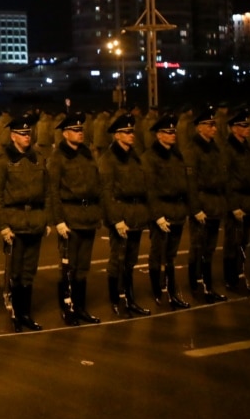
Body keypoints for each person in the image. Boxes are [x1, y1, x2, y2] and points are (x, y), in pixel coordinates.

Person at [0, 112, 50, 331]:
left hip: (34, 220)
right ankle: (15, 311)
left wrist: (46, 219)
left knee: (29, 271)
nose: (27, 137)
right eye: (22, 134)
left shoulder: (38, 158)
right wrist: (3, 225)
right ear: (13, 136)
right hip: (14, 221)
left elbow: (47, 190)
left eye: (28, 133)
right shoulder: (3, 161)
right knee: (15, 271)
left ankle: (26, 313)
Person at [48, 111, 103, 325]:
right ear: (65, 133)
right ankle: (67, 306)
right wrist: (59, 220)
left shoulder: (87, 154)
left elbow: (96, 184)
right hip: (70, 216)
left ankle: (81, 307)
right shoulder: (58, 158)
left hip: (88, 217)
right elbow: (53, 191)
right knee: (69, 267)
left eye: (81, 130)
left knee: (83, 267)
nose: (81, 133)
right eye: (76, 130)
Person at [97, 113, 151, 317]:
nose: (132, 135)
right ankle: (116, 299)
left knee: (130, 261)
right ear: (117, 135)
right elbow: (106, 192)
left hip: (136, 214)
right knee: (117, 260)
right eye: (127, 132)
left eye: (132, 131)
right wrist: (116, 219)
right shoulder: (108, 159)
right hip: (121, 215)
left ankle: (129, 298)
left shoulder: (134, 156)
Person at [143, 112, 192, 310]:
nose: (173, 135)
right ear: (158, 135)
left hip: (177, 210)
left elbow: (184, 182)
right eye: (168, 132)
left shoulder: (176, 154)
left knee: (171, 256)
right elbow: (150, 189)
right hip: (162, 211)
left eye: (174, 132)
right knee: (158, 254)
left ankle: (171, 292)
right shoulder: (150, 157)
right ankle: (158, 291)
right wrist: (157, 215)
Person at [183, 106, 229, 303]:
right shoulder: (193, 150)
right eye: (209, 125)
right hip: (202, 202)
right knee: (198, 247)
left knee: (209, 248)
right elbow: (191, 182)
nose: (214, 129)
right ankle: (195, 284)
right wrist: (195, 209)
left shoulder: (215, 147)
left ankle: (208, 286)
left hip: (215, 202)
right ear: (199, 128)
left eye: (214, 125)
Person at [221, 110, 250, 293]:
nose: (248, 129)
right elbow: (226, 180)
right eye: (244, 126)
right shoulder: (228, 149)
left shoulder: (247, 147)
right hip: (237, 201)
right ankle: (232, 280)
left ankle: (240, 277)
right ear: (234, 128)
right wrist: (233, 205)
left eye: (248, 126)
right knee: (233, 244)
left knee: (244, 244)